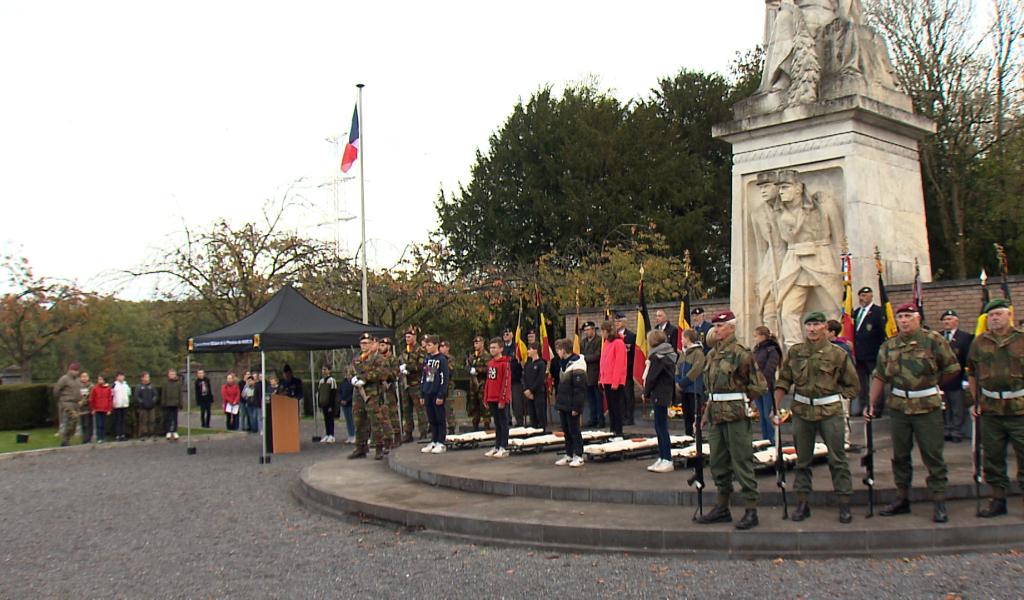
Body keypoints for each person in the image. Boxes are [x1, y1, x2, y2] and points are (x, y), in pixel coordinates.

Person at [866, 303, 960, 523]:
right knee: (900, 455)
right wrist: (871, 404)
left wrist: (933, 386)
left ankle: (939, 500)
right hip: (899, 407)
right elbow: (880, 376)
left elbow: (952, 368)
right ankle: (902, 498)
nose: (904, 320)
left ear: (917, 318)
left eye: (908, 316)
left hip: (927, 407)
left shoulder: (933, 340)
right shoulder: (889, 346)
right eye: (900, 317)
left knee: (932, 455)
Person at [774, 312, 861, 523]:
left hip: (829, 412)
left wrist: (836, 397)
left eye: (817, 324)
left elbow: (853, 384)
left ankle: (844, 502)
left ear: (825, 327)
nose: (812, 329)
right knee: (802, 461)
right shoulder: (796, 353)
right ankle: (803, 502)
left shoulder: (837, 354)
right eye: (809, 324)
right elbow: (784, 381)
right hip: (803, 412)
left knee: (837, 459)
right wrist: (775, 409)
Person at [695, 310, 768, 530]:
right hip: (716, 414)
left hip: (735, 415)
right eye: (715, 326)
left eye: (721, 326)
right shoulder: (712, 355)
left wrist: (743, 400)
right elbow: (711, 388)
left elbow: (759, 385)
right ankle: (722, 506)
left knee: (742, 461)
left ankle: (751, 509)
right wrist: (706, 413)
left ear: (732, 328)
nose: (716, 330)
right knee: (717, 462)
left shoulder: (741, 353)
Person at [966, 298, 1024, 518]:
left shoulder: (1021, 339)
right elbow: (971, 372)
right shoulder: (979, 342)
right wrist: (976, 400)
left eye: (998, 314)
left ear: (1009, 315)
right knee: (992, 456)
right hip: (991, 408)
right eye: (991, 316)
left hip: (1019, 408)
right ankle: (998, 499)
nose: (994, 319)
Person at [350, 333, 395, 460]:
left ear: (371, 344)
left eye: (366, 343)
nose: (364, 346)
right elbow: (349, 370)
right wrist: (352, 379)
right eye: (362, 343)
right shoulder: (357, 358)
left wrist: (364, 378)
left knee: (375, 421)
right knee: (359, 421)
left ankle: (379, 447)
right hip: (358, 394)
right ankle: (360, 447)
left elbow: (382, 373)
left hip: (372, 393)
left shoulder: (378, 358)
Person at [644, 329, 678, 473]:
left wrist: (646, 392)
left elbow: (652, 377)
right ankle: (662, 456)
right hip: (665, 393)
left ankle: (667, 458)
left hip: (660, 394)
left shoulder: (657, 357)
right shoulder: (667, 354)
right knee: (660, 426)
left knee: (661, 427)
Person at [939, 309, 973, 443]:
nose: (947, 322)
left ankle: (957, 431)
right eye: (945, 320)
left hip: (957, 379)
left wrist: (966, 378)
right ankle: (947, 429)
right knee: (944, 406)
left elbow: (968, 360)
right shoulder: (938, 337)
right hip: (941, 379)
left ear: (956, 321)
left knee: (957, 407)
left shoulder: (965, 337)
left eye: (950, 319)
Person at [553, 338, 587, 468]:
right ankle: (569, 454)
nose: (557, 353)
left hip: (572, 404)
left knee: (574, 430)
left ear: (564, 350)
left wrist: (576, 407)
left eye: (558, 350)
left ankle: (578, 455)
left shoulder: (577, 364)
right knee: (566, 430)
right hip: (563, 403)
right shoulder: (563, 364)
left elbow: (579, 389)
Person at [852, 287, 886, 416]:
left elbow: (882, 334)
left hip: (873, 354)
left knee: (876, 381)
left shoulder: (878, 312)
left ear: (871, 296)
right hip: (860, 355)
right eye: (860, 295)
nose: (862, 298)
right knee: (862, 384)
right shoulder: (856, 313)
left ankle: (876, 408)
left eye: (865, 295)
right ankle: (864, 406)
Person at [826, 319, 856, 450]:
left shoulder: (842, 348)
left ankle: (846, 441)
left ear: (832, 332)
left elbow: (849, 369)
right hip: (828, 389)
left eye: (826, 330)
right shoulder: (823, 347)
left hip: (840, 387)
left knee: (843, 415)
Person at [420, 334, 451, 454]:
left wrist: (441, 394)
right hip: (428, 391)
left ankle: (441, 442)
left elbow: (444, 379)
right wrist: (422, 393)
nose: (427, 347)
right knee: (431, 418)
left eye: (429, 345)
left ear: (436, 345)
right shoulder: (427, 359)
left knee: (439, 418)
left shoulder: (442, 359)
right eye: (426, 345)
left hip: (437, 392)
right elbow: (424, 376)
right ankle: (434, 440)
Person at [752, 326, 782, 444]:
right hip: (757, 387)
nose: (755, 339)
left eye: (756, 336)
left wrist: (762, 381)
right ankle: (765, 439)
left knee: (767, 414)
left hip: (767, 386)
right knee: (761, 415)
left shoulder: (772, 350)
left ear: (763, 336)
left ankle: (772, 439)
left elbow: (770, 369)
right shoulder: (757, 349)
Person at [484, 337, 513, 458]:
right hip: (491, 398)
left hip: (501, 399)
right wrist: (485, 397)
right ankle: (497, 445)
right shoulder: (490, 363)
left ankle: (504, 446)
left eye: (494, 347)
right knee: (496, 423)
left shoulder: (505, 364)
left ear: (501, 348)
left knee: (503, 422)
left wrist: (503, 399)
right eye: (490, 347)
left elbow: (506, 383)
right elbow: (488, 382)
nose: (492, 349)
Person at [400, 327, 429, 441]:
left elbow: (422, 366)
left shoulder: (420, 350)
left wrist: (408, 368)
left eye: (409, 337)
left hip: (416, 383)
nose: (407, 339)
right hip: (406, 384)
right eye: (406, 337)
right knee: (407, 410)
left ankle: (423, 432)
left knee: (420, 409)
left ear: (415, 337)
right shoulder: (404, 351)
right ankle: (408, 432)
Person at [599, 320, 627, 437]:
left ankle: (618, 432)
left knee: (616, 408)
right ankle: (613, 430)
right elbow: (604, 361)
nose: (602, 334)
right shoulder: (606, 343)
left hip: (615, 381)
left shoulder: (618, 343)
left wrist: (615, 382)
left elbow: (619, 364)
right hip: (607, 380)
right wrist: (601, 377)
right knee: (610, 407)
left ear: (607, 331)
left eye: (603, 331)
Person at [676, 329, 705, 437]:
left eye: (682, 338)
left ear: (688, 338)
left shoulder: (698, 353)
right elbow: (677, 367)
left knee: (694, 415)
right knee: (686, 415)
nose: (681, 340)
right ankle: (687, 436)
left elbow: (696, 370)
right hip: (684, 390)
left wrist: (682, 383)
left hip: (693, 389)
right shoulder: (684, 353)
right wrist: (677, 380)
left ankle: (696, 437)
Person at [377, 338, 403, 447]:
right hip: (380, 389)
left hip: (390, 388)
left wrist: (384, 375)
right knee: (383, 414)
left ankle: (397, 435)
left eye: (383, 345)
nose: (381, 347)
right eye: (380, 345)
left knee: (392, 413)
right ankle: (387, 437)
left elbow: (395, 374)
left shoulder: (393, 359)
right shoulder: (377, 359)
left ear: (388, 346)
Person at [614, 312, 638, 426]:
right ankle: (621, 416)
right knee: (619, 396)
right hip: (615, 372)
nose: (616, 324)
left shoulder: (631, 336)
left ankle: (629, 417)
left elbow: (633, 355)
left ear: (624, 322)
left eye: (619, 321)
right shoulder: (612, 337)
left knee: (628, 395)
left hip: (627, 371)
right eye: (615, 321)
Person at [580, 321, 604, 428]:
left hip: (596, 372)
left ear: (593, 330)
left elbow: (598, 355)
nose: (587, 332)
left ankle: (600, 419)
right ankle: (592, 418)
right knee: (590, 399)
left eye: (588, 329)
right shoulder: (583, 342)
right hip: (586, 373)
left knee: (598, 398)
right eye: (585, 330)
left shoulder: (599, 340)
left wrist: (584, 358)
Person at [502, 328, 527, 427]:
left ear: (512, 335)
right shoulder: (501, 348)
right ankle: (507, 421)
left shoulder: (517, 347)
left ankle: (519, 422)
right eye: (504, 334)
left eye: (508, 334)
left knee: (517, 402)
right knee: (505, 402)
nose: (506, 335)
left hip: (515, 379)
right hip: (504, 380)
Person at [466, 336, 491, 430]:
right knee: (474, 405)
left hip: (482, 384)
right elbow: (468, 366)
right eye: (474, 343)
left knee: (484, 405)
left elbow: (488, 369)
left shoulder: (486, 356)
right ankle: (475, 424)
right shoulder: (472, 356)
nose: (475, 345)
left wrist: (477, 370)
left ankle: (486, 424)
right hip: (473, 385)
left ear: (482, 343)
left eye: (477, 343)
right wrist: (469, 369)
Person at [522, 342, 548, 430]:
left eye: (530, 349)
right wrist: (526, 389)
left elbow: (540, 380)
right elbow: (524, 378)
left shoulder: (541, 363)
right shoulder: (527, 364)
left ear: (536, 350)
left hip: (538, 393)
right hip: (528, 394)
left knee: (540, 414)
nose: (528, 351)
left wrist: (531, 390)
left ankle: (542, 431)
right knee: (532, 415)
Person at [438, 339, 457, 434]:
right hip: (438, 386)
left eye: (444, 347)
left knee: (449, 407)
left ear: (448, 348)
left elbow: (450, 370)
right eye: (440, 347)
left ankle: (452, 427)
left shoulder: (450, 358)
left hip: (448, 386)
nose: (442, 349)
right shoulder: (436, 358)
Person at [89, 374, 113, 443]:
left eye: (101, 379)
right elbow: (92, 399)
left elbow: (109, 399)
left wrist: (109, 409)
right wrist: (92, 408)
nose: (100, 381)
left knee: (103, 424)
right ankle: (99, 437)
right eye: (99, 379)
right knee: (98, 424)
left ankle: (103, 437)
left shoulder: (108, 389)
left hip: (105, 409)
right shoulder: (95, 388)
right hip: (97, 409)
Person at [317, 366, 338, 443]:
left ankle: (331, 435)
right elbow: (319, 393)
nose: (323, 371)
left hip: (329, 404)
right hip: (323, 403)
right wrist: (319, 403)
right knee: (326, 419)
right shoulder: (321, 381)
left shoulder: (332, 380)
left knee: (330, 419)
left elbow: (333, 394)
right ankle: (327, 434)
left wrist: (331, 405)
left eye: (325, 369)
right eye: (323, 369)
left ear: (329, 371)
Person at [135, 372, 159, 439]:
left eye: (148, 377)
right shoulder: (139, 386)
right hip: (143, 407)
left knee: (152, 420)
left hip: (151, 406)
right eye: (146, 377)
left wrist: (153, 401)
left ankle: (152, 433)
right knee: (143, 421)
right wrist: (142, 402)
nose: (147, 378)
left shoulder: (152, 386)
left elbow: (155, 395)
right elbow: (137, 396)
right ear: (142, 378)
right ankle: (143, 434)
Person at [161, 368, 183, 440]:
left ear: (175, 375)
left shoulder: (178, 383)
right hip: (168, 403)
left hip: (175, 403)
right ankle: (168, 431)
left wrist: (180, 403)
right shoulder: (165, 383)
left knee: (175, 418)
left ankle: (175, 431)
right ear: (168, 375)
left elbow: (180, 394)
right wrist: (163, 403)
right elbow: (163, 394)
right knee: (168, 418)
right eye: (170, 374)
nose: (172, 375)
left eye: (173, 374)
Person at [110, 372, 131, 441]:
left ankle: (123, 434)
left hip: (124, 405)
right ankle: (118, 435)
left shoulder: (126, 385)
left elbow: (129, 393)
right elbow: (111, 394)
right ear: (117, 377)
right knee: (118, 421)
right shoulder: (114, 385)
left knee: (123, 421)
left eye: (122, 376)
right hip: (117, 405)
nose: (121, 378)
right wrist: (113, 403)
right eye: (119, 376)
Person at [338, 367, 356, 444]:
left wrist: (347, 400)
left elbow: (353, 393)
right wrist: (341, 399)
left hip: (350, 403)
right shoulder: (343, 382)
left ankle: (354, 435)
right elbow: (340, 391)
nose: (347, 375)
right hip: (344, 404)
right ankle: (350, 435)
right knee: (348, 420)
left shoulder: (353, 382)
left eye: (348, 373)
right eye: (345, 373)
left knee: (352, 420)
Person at [77, 371, 93, 444]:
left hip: (88, 408)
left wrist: (83, 402)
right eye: (83, 376)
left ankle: (88, 439)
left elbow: (90, 397)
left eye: (86, 376)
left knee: (88, 424)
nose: (84, 378)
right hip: (80, 409)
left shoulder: (91, 386)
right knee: (83, 424)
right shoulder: (78, 386)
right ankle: (84, 439)